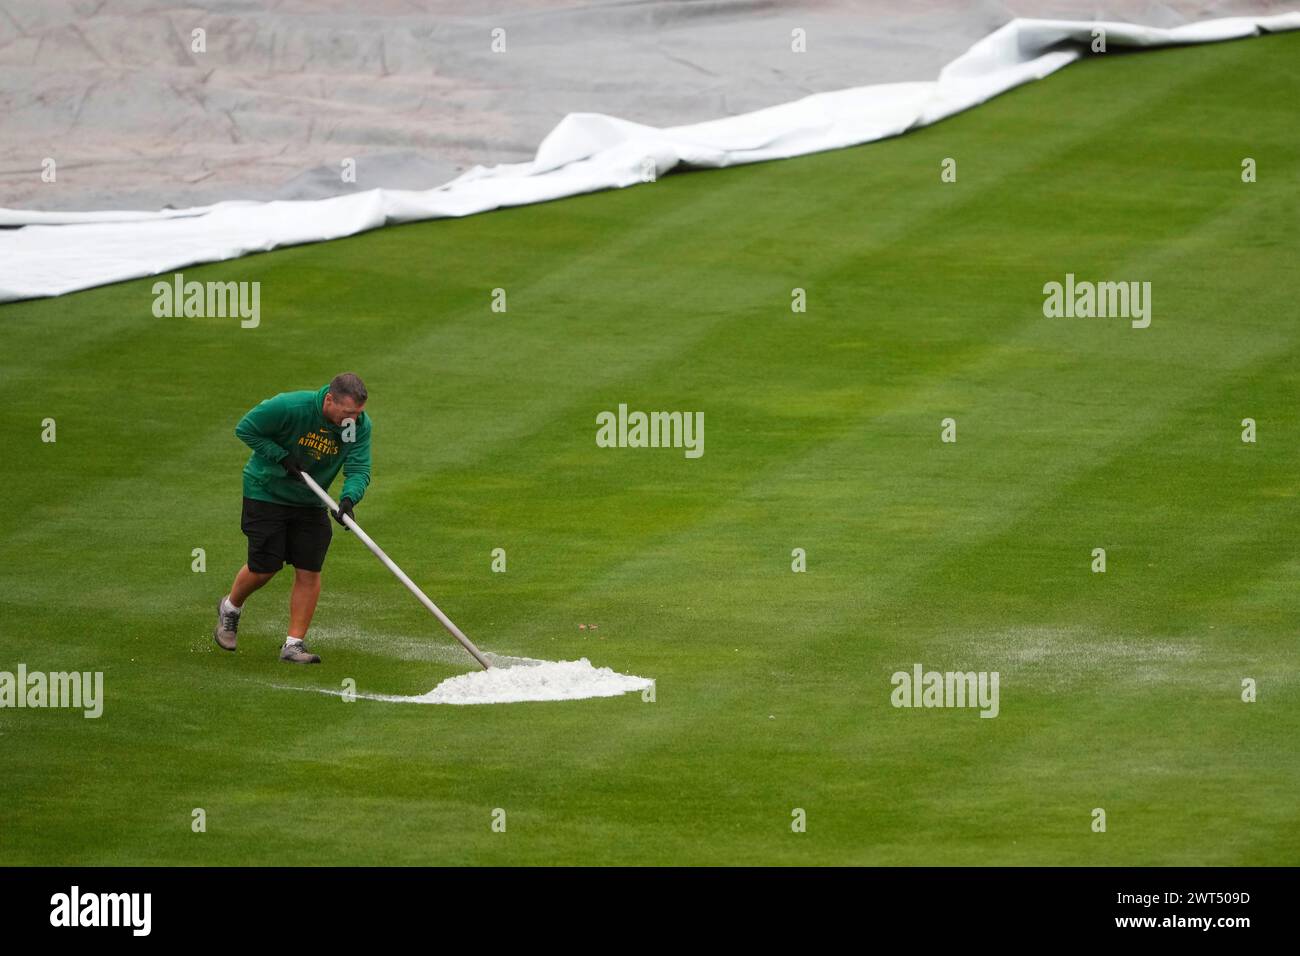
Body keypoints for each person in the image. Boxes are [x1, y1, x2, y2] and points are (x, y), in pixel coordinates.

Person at [213, 373, 372, 663]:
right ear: (329, 400)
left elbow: (359, 467)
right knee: (265, 567)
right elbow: (246, 429)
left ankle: (294, 645)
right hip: (266, 492)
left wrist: (348, 499)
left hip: (311, 501)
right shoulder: (289, 407)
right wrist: (281, 456)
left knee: (309, 568)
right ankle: (231, 608)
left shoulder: (356, 425)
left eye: (358, 414)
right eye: (348, 413)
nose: (353, 419)